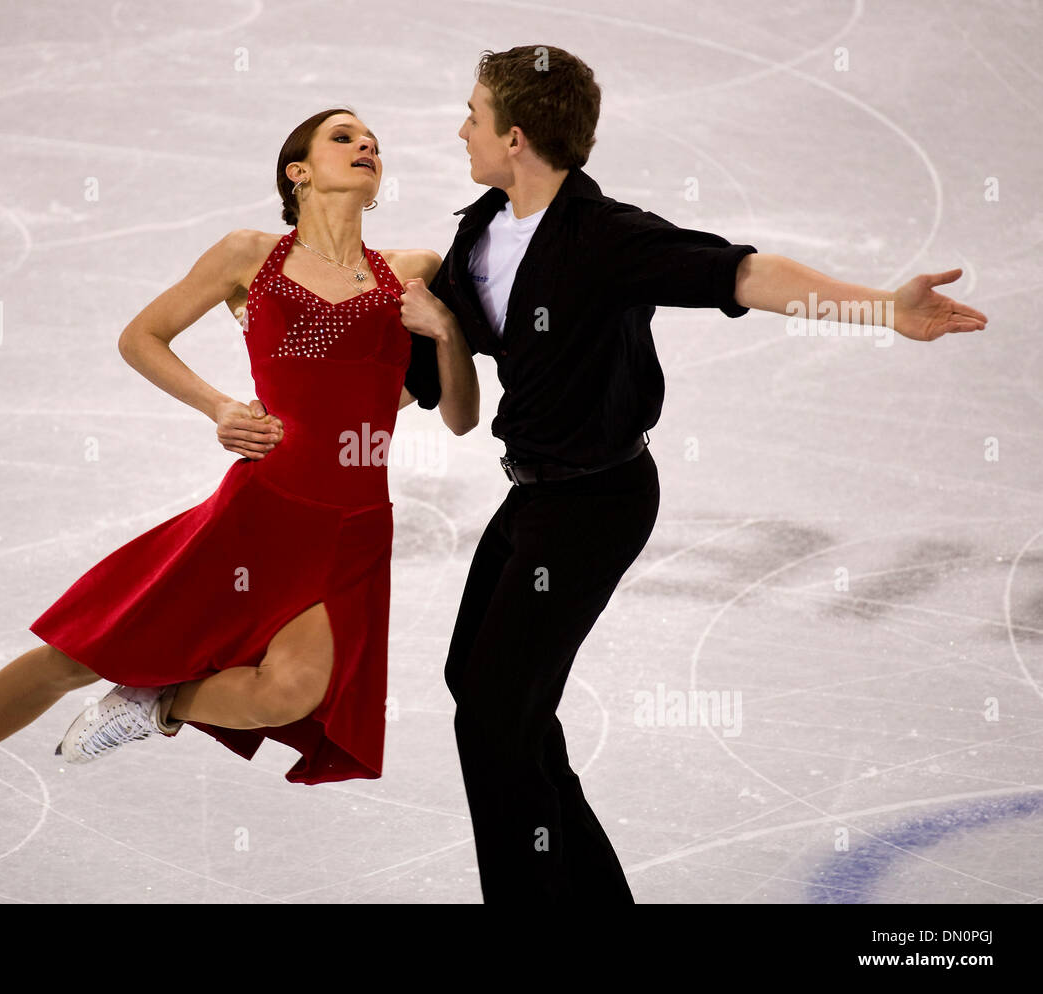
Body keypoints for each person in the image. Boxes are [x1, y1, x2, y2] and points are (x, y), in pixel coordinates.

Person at [415, 45, 988, 903]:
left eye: (473, 114)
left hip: (595, 502)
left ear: (518, 136)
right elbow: (432, 313)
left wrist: (880, 308)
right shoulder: (482, 232)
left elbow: (747, 274)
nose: (461, 128)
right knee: (486, 691)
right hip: (531, 494)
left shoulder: (606, 239)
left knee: (498, 721)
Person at [0, 108, 479, 834]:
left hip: (352, 529)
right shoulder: (249, 256)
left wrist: (445, 334)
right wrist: (219, 406)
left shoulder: (413, 272)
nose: (365, 145)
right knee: (79, 653)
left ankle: (159, 703)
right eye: (343, 138)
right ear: (299, 170)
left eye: (372, 141)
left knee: (291, 693)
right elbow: (141, 336)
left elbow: (455, 415)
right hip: (261, 514)